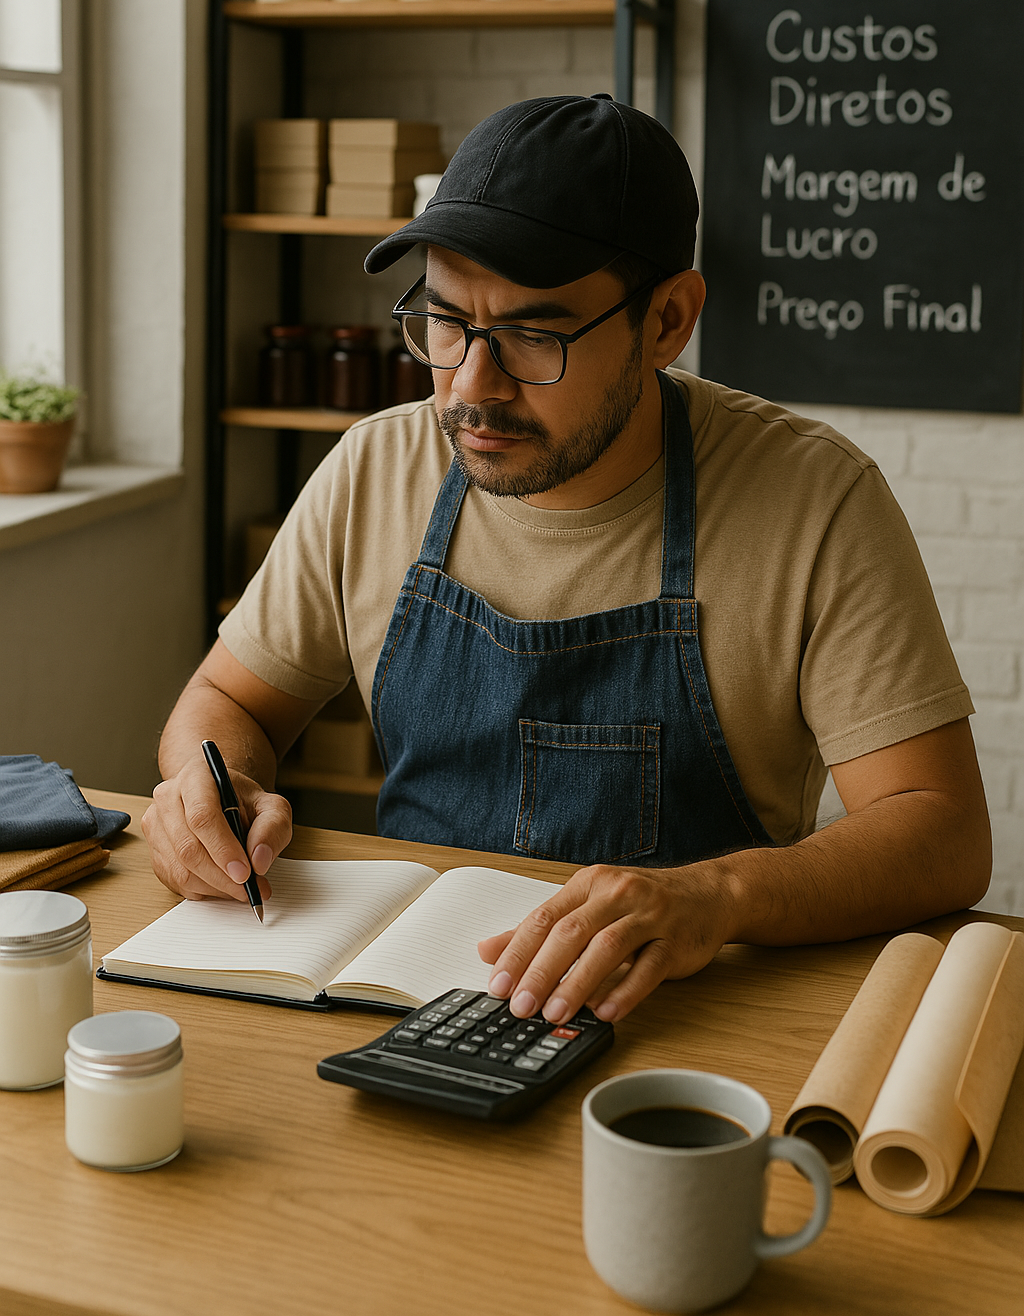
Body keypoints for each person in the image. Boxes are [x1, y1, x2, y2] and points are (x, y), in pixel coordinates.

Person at [147, 94, 990, 1028]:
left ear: (668, 320)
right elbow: (227, 703)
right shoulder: (375, 468)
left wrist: (717, 897)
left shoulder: (815, 502)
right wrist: (206, 791)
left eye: (532, 337)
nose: (472, 384)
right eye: (444, 322)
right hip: (404, 1006)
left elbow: (942, 830)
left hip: (689, 1023)